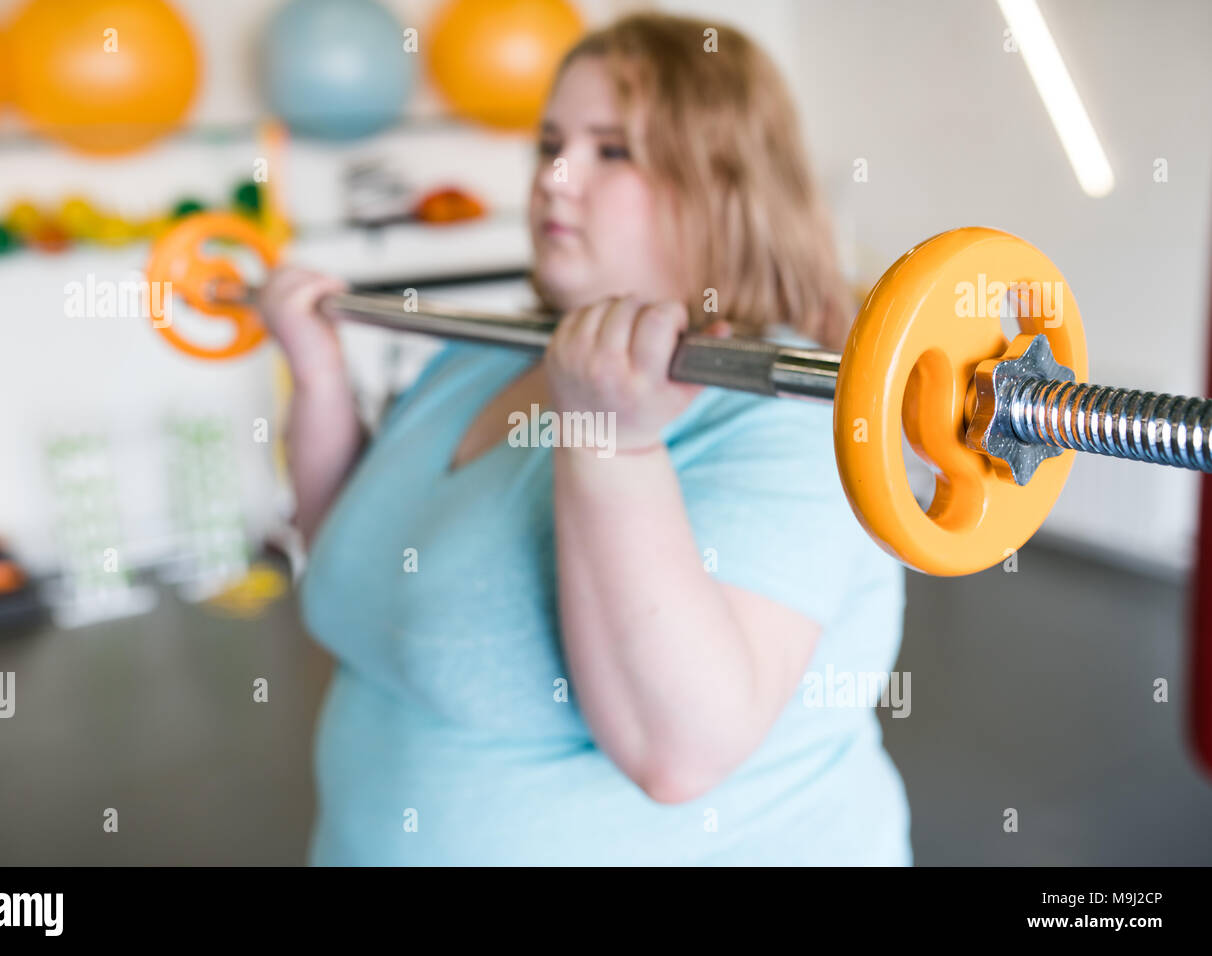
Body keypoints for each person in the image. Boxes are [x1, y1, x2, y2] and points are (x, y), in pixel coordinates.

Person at [258, 12, 911, 865]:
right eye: (548, 144)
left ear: (724, 181)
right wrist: (316, 375)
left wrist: (612, 443)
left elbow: (676, 753)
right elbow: (346, 562)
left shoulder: (791, 415)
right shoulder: (478, 358)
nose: (555, 179)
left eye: (611, 151)